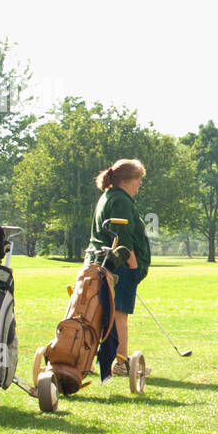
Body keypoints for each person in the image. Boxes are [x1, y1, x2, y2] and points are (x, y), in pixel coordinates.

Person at [89, 159, 152, 378]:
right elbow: (122, 237)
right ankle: (121, 362)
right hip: (118, 265)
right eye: (138, 179)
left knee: (100, 312)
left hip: (104, 262)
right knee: (119, 315)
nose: (140, 183)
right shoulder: (120, 201)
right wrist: (133, 265)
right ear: (125, 180)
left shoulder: (111, 196)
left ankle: (94, 359)